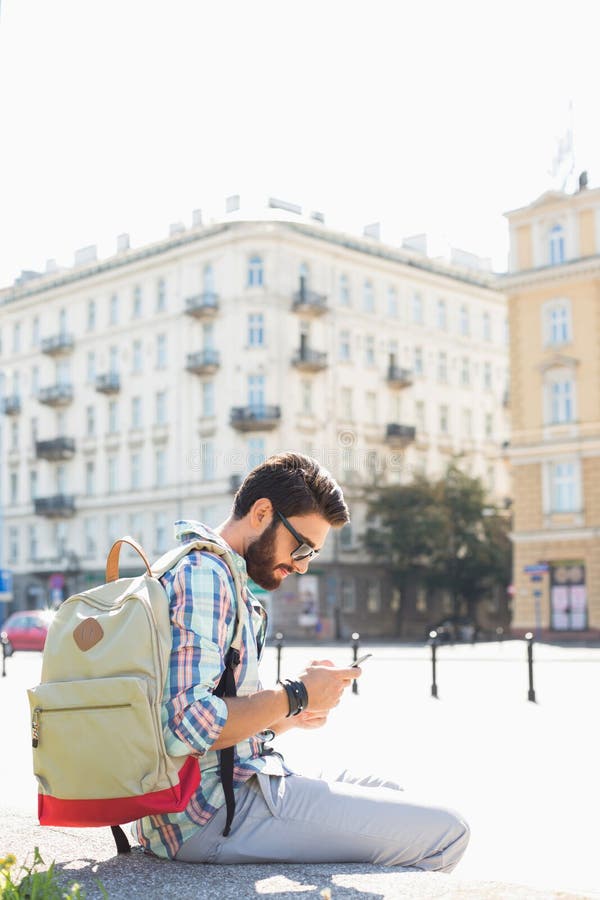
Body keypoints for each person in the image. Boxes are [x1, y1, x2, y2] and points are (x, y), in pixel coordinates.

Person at [133, 452, 469, 869]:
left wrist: (288, 715)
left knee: (397, 793)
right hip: (210, 816)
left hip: (231, 792)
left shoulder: (221, 575)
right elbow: (187, 727)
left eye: (312, 553)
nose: (303, 565)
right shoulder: (205, 573)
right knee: (446, 831)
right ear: (261, 513)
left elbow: (206, 726)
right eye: (302, 546)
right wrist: (295, 694)